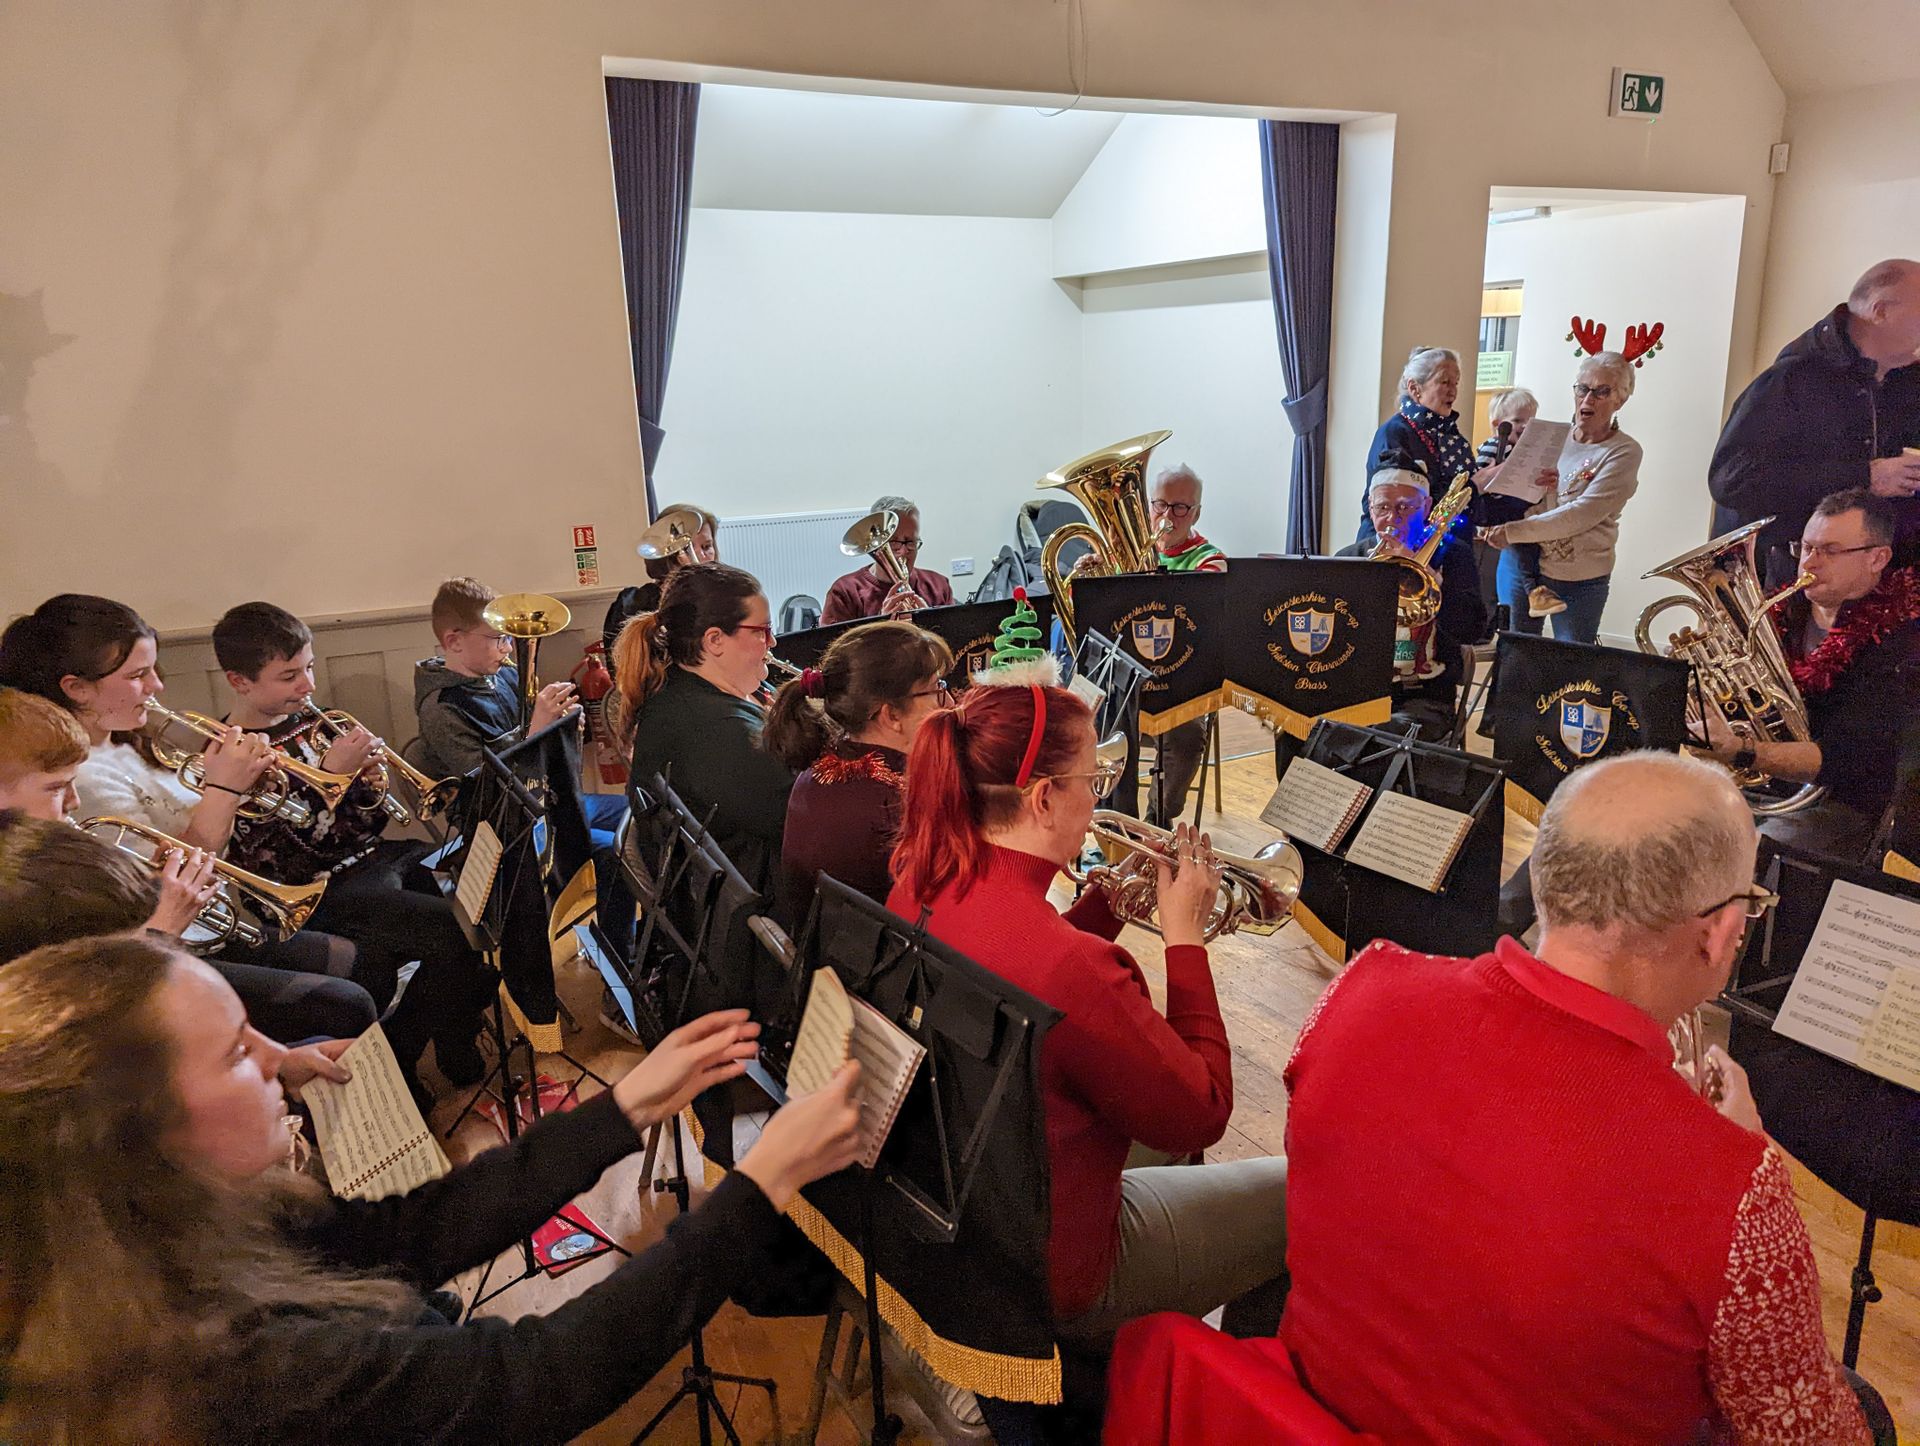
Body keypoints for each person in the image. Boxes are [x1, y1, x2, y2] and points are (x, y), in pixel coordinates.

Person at [0, 931, 865, 1445]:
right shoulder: (224, 1369)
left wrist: (628, 1104)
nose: (277, 1059)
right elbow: (537, 1380)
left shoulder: (176, 1224)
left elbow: (414, 1231)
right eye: (235, 1052)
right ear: (134, 1135)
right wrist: (761, 1182)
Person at [1275, 752, 1885, 1444]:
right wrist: (1729, 1153)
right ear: (1718, 934)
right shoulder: (1736, 1184)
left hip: (1315, 1413)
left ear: (1544, 878)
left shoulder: (1362, 987)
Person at [886, 677, 1289, 1346]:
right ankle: (1208, 1385)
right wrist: (1185, 938)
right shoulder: (1074, 965)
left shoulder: (921, 878)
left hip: (970, 1207)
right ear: (1044, 798)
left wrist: (1106, 906)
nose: (1097, 799)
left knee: (1153, 1115)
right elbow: (1204, 1111)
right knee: (1297, 1195)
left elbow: (1034, 980)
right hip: (1057, 1268)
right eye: (1092, 781)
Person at [0, 596, 378, 1031]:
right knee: (343, 1001)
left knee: (355, 963)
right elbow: (168, 870)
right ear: (77, 688)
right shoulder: (78, 778)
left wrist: (251, 790)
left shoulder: (127, 739)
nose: (157, 686)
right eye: (139, 675)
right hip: (168, 944)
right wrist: (225, 788)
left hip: (208, 920)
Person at [214, 601, 497, 1088]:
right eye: (288, 677)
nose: (307, 686)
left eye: (309, 668)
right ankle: (399, 1052)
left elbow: (368, 825)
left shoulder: (316, 721)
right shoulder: (233, 754)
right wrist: (331, 777)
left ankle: (452, 1038)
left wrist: (368, 785)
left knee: (479, 908)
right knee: (453, 934)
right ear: (239, 681)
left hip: (367, 861)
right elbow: (293, 858)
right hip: (312, 893)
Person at [0, 808, 376, 1043]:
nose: (73, 801)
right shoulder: (19, 884)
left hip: (167, 957)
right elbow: (105, 1019)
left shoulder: (48, 849)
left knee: (357, 966)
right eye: (54, 786)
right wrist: (163, 928)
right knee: (343, 1003)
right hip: (139, 1012)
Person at [1699, 488, 1920, 863]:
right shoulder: (1778, 613)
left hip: (1838, 804)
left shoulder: (1900, 639)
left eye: (1830, 551)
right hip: (1762, 785)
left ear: (1877, 558)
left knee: (1745, 857)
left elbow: (1844, 759)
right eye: (1805, 547)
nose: (1809, 564)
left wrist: (1741, 751)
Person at [1710, 259, 1920, 588]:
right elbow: (1733, 480)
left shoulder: (1906, 380)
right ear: (1880, 312)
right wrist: (1867, 476)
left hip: (1870, 585)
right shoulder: (1792, 377)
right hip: (1780, 582)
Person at [612, 562, 797, 892]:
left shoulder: (679, 688)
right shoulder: (716, 731)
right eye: (762, 631)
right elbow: (800, 822)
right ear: (714, 640)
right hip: (755, 914)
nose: (772, 643)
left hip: (730, 891)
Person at [764, 620, 953, 925]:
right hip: (878, 964)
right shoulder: (894, 806)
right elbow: (951, 908)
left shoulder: (825, 765)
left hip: (830, 959)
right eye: (936, 690)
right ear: (891, 715)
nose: (951, 702)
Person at [1482, 351, 1644, 645]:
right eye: (1582, 388)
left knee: (1570, 667)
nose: (1587, 399)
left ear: (1620, 400)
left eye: (1601, 391)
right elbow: (1522, 493)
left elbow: (1581, 514)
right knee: (1516, 657)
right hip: (1521, 565)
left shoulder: (1624, 452)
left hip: (1579, 578)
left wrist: (1513, 531)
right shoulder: (1549, 436)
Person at [1338, 455, 1486, 739]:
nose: (1393, 518)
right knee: (1294, 726)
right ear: (1370, 508)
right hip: (1357, 690)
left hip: (1423, 695)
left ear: (1427, 507)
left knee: (1381, 733)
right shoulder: (1350, 559)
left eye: (1405, 507)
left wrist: (1433, 579)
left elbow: (1472, 630)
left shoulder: (1454, 556)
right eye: (1383, 507)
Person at [1141, 464, 1227, 827]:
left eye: (1180, 508)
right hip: (1133, 682)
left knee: (1187, 738)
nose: (1167, 516)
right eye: (1160, 505)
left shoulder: (1210, 560)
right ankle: (1109, 825)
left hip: (1182, 686)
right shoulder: (1130, 553)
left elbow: (1204, 625)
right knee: (1084, 724)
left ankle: (1152, 825)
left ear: (1197, 513)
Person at [1355, 347, 1479, 551]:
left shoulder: (1451, 438)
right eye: (1444, 382)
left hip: (1446, 548)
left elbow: (1477, 510)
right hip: (1396, 545)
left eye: (1455, 383)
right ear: (1414, 388)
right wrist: (1473, 487)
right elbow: (1405, 502)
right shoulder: (1395, 433)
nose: (1453, 391)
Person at [1476, 385, 1563, 618]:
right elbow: (1483, 477)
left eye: (1531, 421)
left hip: (1521, 507)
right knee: (1525, 549)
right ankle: (1533, 591)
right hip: (1501, 509)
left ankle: (1535, 591)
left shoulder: (1525, 450)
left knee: (1531, 546)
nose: (1525, 426)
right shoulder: (1494, 446)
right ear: (1498, 426)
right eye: (1518, 420)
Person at [602, 501, 720, 670]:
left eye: (707, 546)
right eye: (687, 548)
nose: (701, 556)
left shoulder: (723, 597)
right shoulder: (635, 603)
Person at [819, 495, 956, 625]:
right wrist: (882, 627)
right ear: (874, 542)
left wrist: (931, 623)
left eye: (910, 541)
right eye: (894, 542)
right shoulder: (845, 591)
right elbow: (831, 648)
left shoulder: (938, 585)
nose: (903, 552)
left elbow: (957, 644)